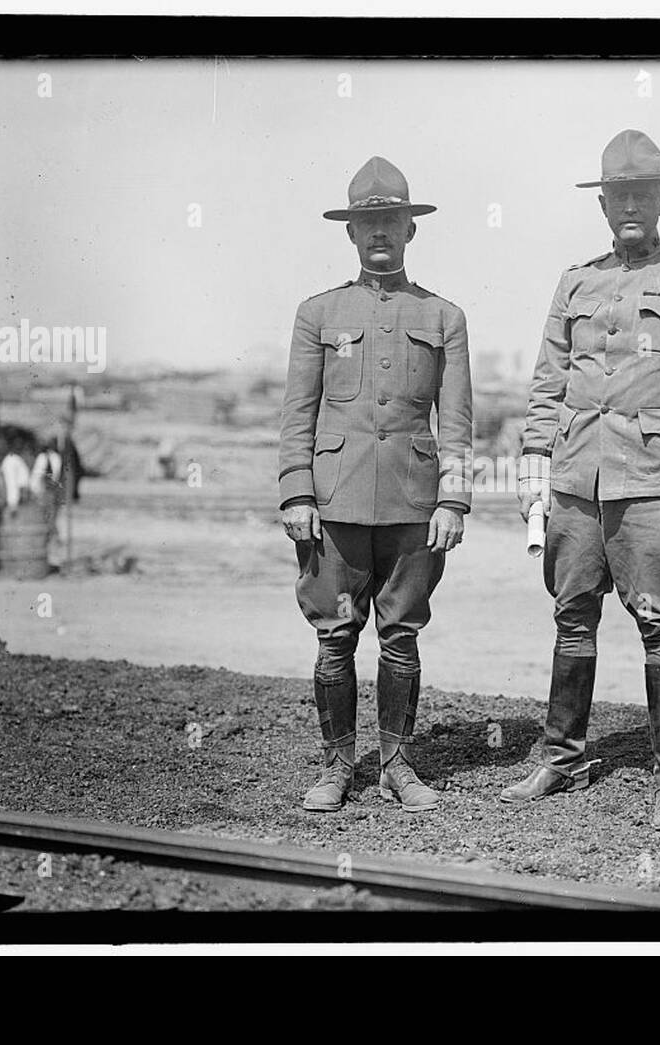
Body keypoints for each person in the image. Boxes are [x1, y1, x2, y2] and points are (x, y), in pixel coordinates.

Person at [504, 130, 660, 831]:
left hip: (656, 482)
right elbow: (548, 382)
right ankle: (563, 756)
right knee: (571, 615)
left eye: (642, 194)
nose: (630, 206)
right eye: (619, 196)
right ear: (603, 204)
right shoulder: (577, 280)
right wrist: (535, 466)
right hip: (579, 481)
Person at [277, 156, 473, 813]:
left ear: (410, 230)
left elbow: (460, 420)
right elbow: (297, 414)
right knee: (334, 636)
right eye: (369, 222)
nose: (381, 232)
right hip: (333, 502)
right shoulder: (319, 313)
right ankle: (337, 767)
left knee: (402, 635)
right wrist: (296, 491)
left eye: (391, 220)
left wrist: (453, 497)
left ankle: (396, 765)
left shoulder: (445, 316)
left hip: (414, 505)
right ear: (351, 233)